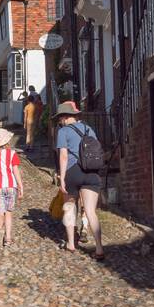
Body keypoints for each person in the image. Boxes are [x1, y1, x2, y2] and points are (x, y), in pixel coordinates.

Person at [54, 101, 104, 259]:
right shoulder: (89, 129)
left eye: (60, 119)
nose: (59, 122)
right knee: (90, 211)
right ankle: (99, 248)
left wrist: (62, 178)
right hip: (91, 172)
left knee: (69, 207)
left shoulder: (63, 131)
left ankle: (71, 243)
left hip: (72, 171)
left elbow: (63, 155)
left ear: (63, 117)